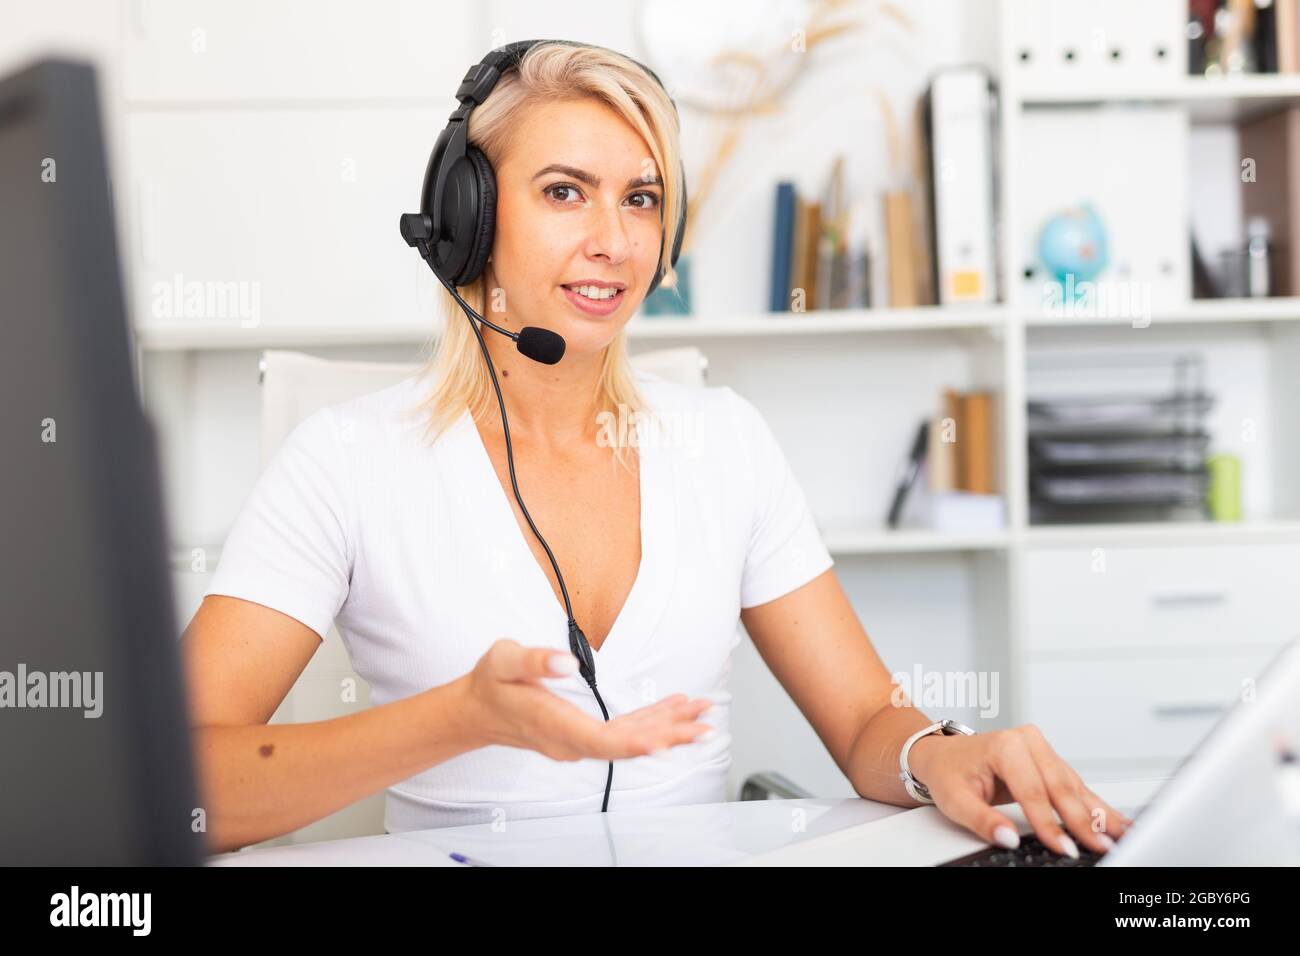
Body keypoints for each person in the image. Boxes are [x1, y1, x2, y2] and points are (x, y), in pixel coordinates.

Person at [181, 40, 1132, 858]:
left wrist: (937, 755)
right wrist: (459, 719)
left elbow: (861, 720)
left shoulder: (726, 440)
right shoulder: (345, 459)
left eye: (640, 200)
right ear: (466, 219)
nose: (613, 241)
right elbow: (180, 786)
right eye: (564, 192)